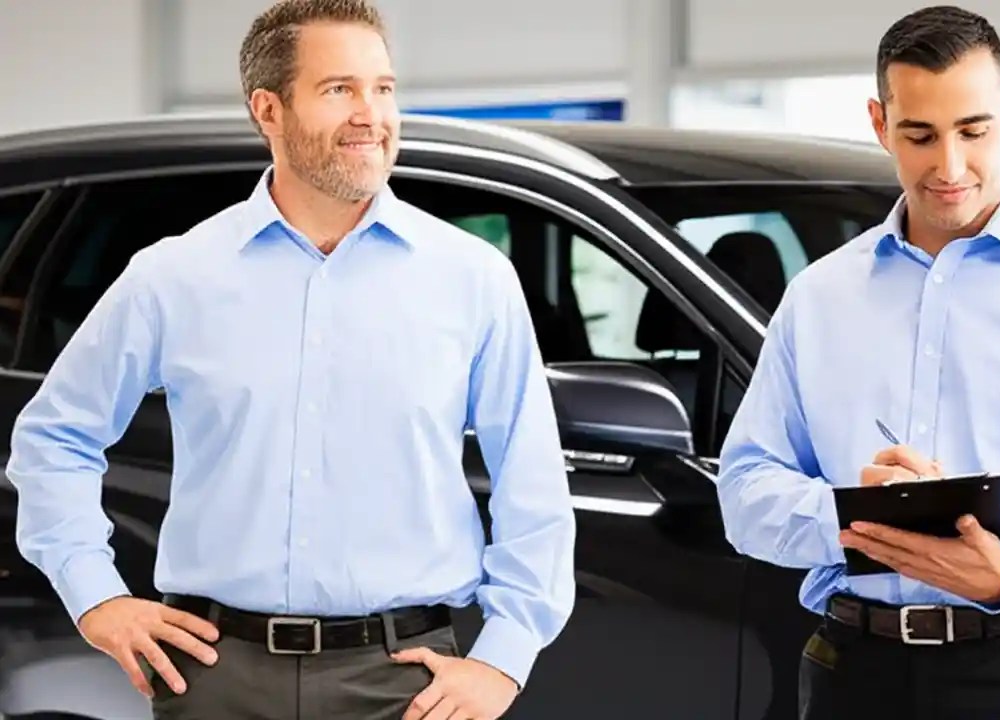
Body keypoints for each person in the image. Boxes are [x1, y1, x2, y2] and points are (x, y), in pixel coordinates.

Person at [5, 0, 575, 718]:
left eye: (384, 88)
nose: (371, 113)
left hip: (407, 683)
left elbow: (534, 485)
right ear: (268, 110)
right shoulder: (175, 277)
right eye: (339, 89)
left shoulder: (473, 280)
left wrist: (504, 658)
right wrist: (98, 598)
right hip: (213, 678)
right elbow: (53, 438)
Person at [714, 5, 1000, 719]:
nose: (950, 166)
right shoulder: (818, 299)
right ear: (880, 124)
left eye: (973, 131)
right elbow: (746, 492)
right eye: (920, 135)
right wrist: (858, 517)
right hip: (852, 672)